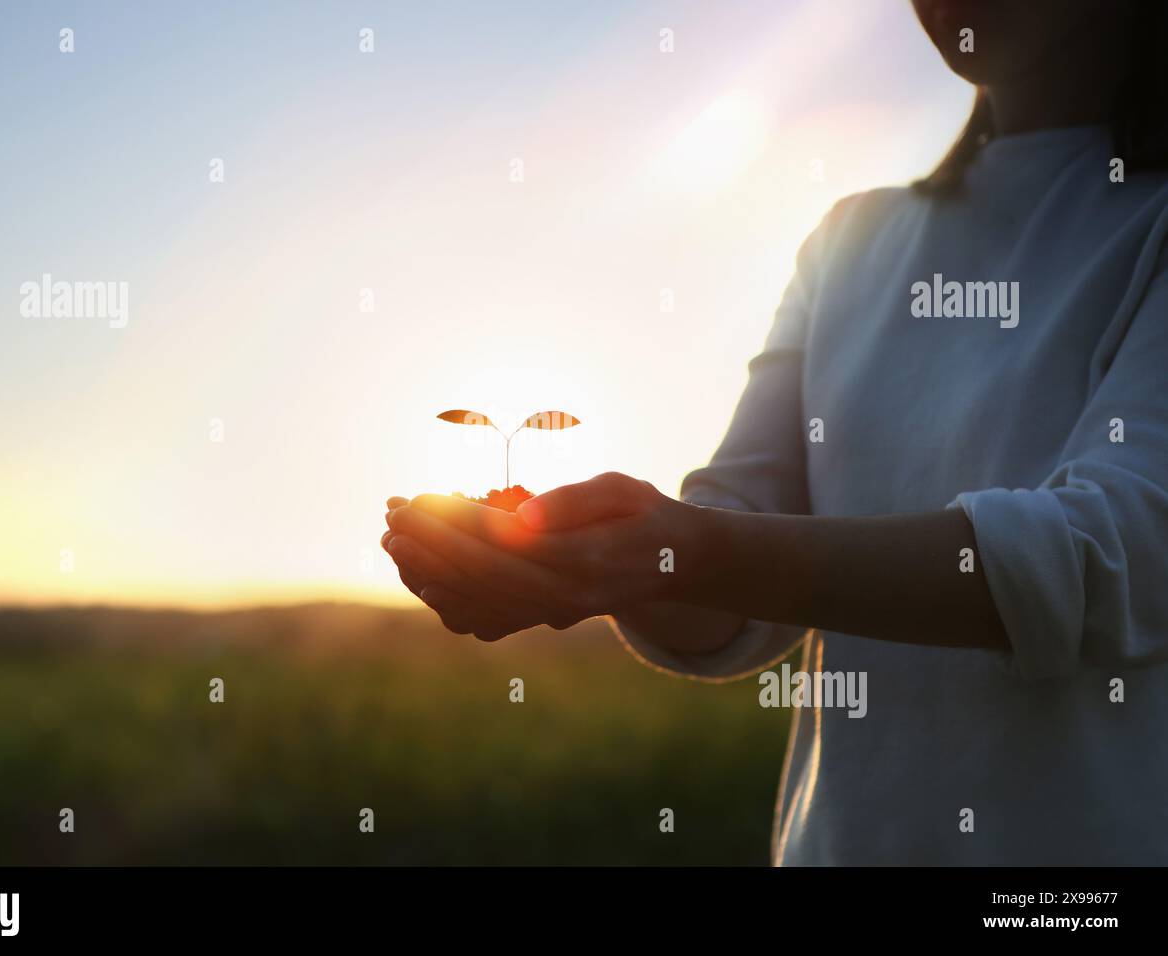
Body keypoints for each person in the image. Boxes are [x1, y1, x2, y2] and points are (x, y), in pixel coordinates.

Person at [381, 0, 1168, 864]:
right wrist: (593, 561)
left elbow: (1108, 555)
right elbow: (727, 585)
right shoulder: (847, 242)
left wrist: (686, 548)